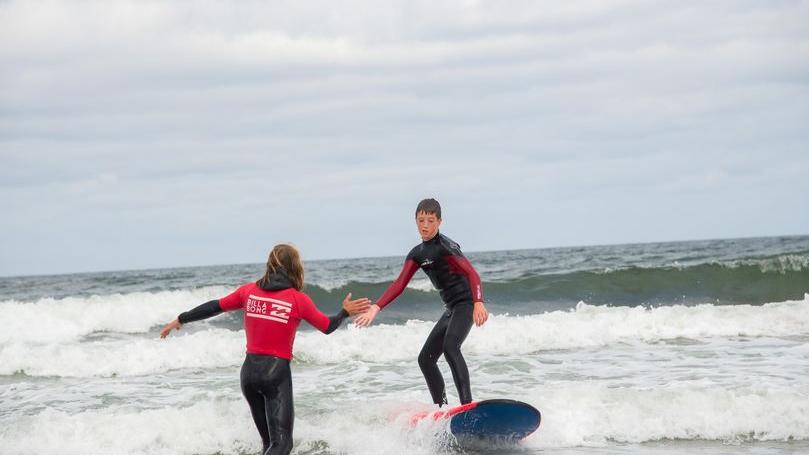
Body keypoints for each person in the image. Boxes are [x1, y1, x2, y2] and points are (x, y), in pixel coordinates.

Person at [160, 244, 370, 455]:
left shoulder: (248, 292)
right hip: (275, 374)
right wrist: (344, 312)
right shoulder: (298, 300)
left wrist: (181, 318)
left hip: (248, 374)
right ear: (295, 267)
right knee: (282, 445)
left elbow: (214, 306)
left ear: (270, 265)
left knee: (269, 444)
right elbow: (327, 326)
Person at [355, 198, 489, 407]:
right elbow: (399, 284)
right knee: (425, 359)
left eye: (430, 220)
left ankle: (467, 406)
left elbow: (472, 274)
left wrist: (478, 301)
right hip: (451, 308)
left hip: (466, 304)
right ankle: (441, 409)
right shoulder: (417, 254)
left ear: (439, 222)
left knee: (450, 347)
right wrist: (376, 307)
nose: (425, 225)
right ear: (415, 221)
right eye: (421, 220)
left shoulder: (446, 247)